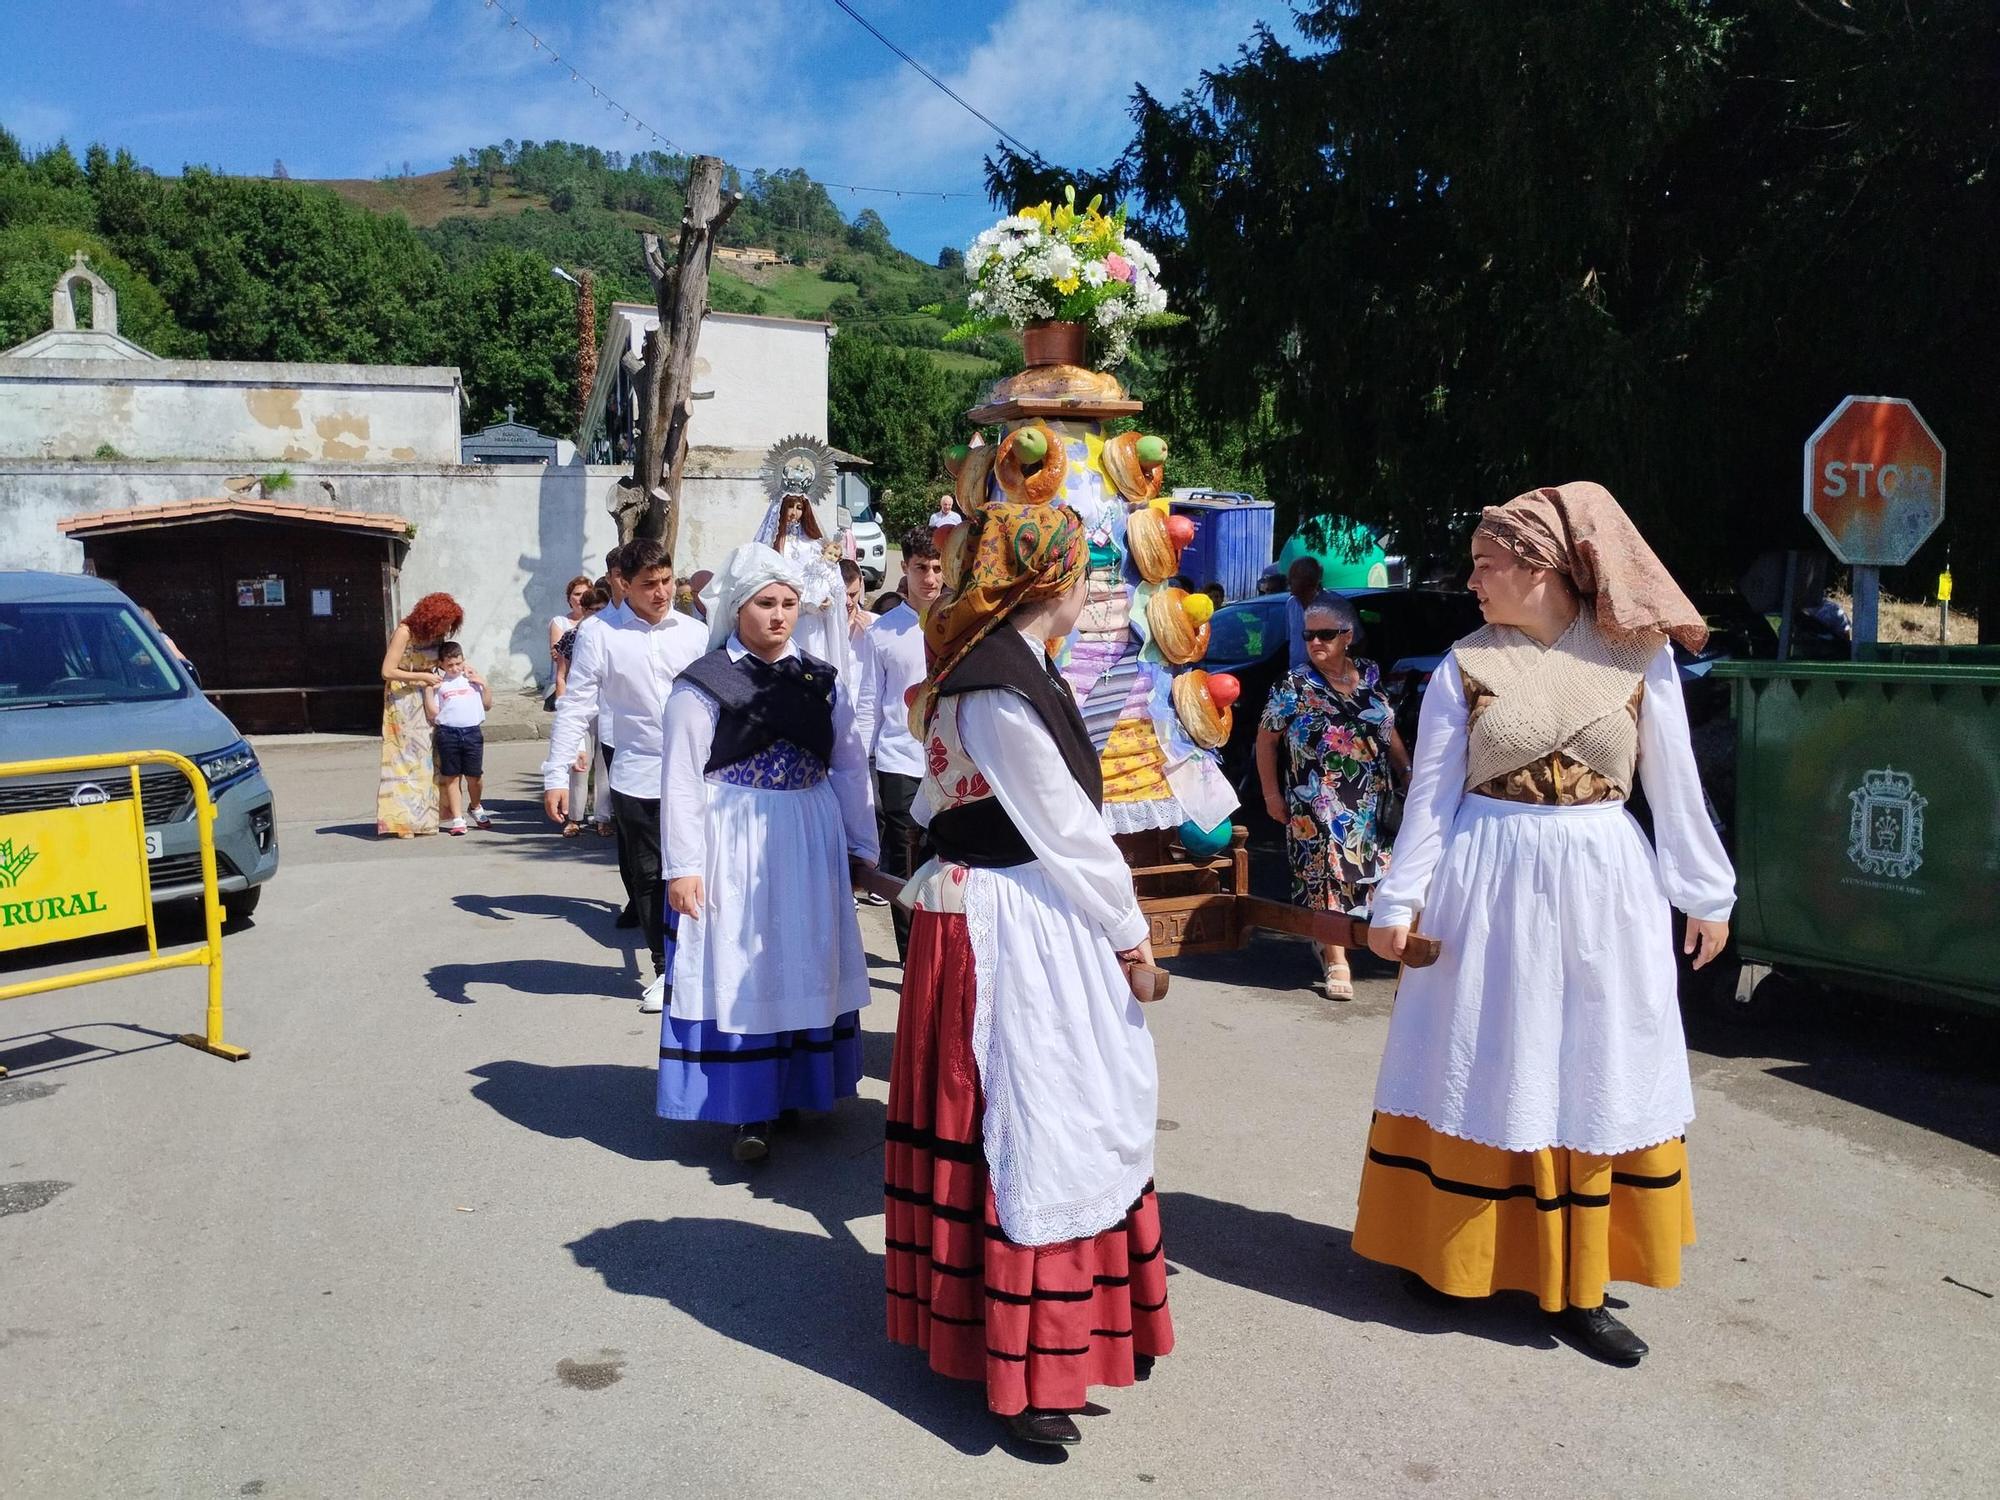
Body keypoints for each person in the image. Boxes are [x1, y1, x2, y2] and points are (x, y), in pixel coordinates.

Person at [1357, 482, 1735, 1367]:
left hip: (1605, 882)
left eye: (1487, 565)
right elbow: (1431, 801)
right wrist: (1395, 903)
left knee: (1593, 1062)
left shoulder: (1636, 657)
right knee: (1484, 1057)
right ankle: (1453, 1254)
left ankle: (1582, 1284)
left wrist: (1703, 891)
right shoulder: (1463, 666)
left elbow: (1675, 783)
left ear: (1541, 567)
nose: (1472, 581)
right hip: (1487, 880)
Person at [884, 495, 1172, 1450]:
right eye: (1087, 570)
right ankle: (1024, 1363)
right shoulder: (1000, 686)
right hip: (1008, 920)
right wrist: (1132, 933)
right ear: (1056, 580)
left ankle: (1063, 1331)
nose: (1095, 588)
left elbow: (938, 794)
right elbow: (1065, 827)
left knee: (1066, 1113)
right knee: (1037, 1123)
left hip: (1011, 910)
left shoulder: (994, 669)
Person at [659, 543, 878, 1162]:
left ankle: (799, 1089)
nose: (779, 615)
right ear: (737, 608)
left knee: (800, 954)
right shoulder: (702, 686)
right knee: (738, 959)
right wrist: (684, 867)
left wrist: (862, 844)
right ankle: (747, 1109)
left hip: (808, 834)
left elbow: (849, 764)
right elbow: (679, 779)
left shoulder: (820, 680)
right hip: (734, 836)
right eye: (765, 603)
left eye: (788, 603)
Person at [542, 538, 706, 1006]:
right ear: (624, 584)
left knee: (701, 869)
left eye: (667, 581)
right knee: (651, 873)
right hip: (639, 773)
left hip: (700, 773)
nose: (661, 592)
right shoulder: (600, 634)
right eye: (649, 584)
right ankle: (665, 968)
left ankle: (705, 961)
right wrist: (555, 774)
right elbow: (576, 706)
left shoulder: (694, 633)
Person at [1256, 591, 1408, 999]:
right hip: (1318, 801)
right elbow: (1266, 742)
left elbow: (1387, 729)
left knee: (1379, 872)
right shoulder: (1294, 684)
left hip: (1372, 798)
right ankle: (1336, 956)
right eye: (1308, 635)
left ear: (1348, 636)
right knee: (1328, 876)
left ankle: (1353, 939)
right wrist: (1272, 796)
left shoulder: (1370, 674)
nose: (1315, 643)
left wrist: (1406, 770)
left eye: (1325, 634)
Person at [851, 527, 945, 956]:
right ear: (904, 568)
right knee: (906, 868)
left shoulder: (961, 622)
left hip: (951, 766)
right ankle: (911, 960)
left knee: (944, 863)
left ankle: (941, 954)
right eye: (921, 567)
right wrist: (859, 765)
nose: (931, 577)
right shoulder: (882, 632)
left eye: (939, 567)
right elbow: (869, 700)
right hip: (899, 761)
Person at [376, 591, 463, 837]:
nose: (446, 629)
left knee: (428, 759)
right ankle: (403, 822)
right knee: (406, 760)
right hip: (403, 700)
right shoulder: (405, 632)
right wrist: (421, 676)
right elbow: (387, 670)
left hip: (429, 697)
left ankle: (425, 818)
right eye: (444, 623)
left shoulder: (437, 635)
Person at [752, 485, 848, 675]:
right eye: (790, 506)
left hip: (811, 623)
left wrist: (828, 599)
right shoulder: (770, 546)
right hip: (781, 618)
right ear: (780, 507)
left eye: (799, 507)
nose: (794, 513)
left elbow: (833, 581)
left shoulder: (814, 546)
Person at [554, 587, 612, 837]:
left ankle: (602, 817)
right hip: (580, 705)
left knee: (604, 763)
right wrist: (563, 709)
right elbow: (561, 676)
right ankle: (574, 817)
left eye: (602, 609)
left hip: (607, 706)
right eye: (592, 609)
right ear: (583, 611)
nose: (597, 614)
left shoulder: (613, 635)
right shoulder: (571, 636)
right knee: (578, 762)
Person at [424, 641, 493, 835]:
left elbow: (487, 705)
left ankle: (476, 806)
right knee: (452, 778)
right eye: (450, 665)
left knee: (475, 776)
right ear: (441, 665)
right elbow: (433, 713)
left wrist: (484, 685)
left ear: (464, 661)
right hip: (448, 733)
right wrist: (429, 691)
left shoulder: (472, 680)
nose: (455, 668)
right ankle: (457, 818)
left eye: (458, 663)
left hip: (472, 732)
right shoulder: (441, 685)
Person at [547, 575, 592, 707]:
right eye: (577, 594)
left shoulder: (598, 621)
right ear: (569, 598)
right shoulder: (560, 622)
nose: (581, 598)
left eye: (586, 594)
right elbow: (557, 655)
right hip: (567, 684)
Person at [1284, 555, 1323, 670]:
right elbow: (1289, 640)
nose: (1289, 581)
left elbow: (1355, 642)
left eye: (1294, 577)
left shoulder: (1331, 604)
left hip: (1323, 676)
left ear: (1308, 580)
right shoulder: (1291, 604)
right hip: (1297, 674)